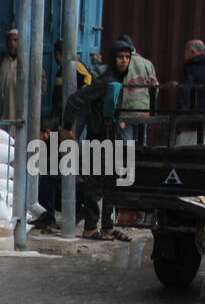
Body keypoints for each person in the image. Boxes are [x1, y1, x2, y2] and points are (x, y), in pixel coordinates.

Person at [61, 39, 136, 241]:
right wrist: (67, 127)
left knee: (111, 184)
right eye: (120, 57)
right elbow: (74, 100)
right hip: (98, 140)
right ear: (113, 58)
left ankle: (108, 227)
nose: (124, 61)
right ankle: (90, 228)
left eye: (127, 57)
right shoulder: (106, 81)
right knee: (94, 185)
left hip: (112, 138)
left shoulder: (117, 81)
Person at [177, 39, 205, 145]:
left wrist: (182, 118)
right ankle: (129, 159)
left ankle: (130, 160)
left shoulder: (189, 69)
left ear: (192, 51)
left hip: (191, 124)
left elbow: (185, 96)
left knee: (186, 156)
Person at [51, 40, 92, 119]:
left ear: (58, 54)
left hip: (73, 111)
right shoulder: (61, 70)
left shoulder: (77, 65)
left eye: (56, 55)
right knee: (54, 129)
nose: (56, 58)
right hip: (59, 110)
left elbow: (88, 80)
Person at [118, 34, 158, 113]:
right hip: (144, 111)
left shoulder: (120, 62)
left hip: (125, 112)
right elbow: (155, 89)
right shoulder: (148, 64)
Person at [0, 28, 23, 124]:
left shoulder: (28, 62)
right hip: (2, 109)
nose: (12, 43)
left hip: (20, 108)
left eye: (15, 40)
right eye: (9, 40)